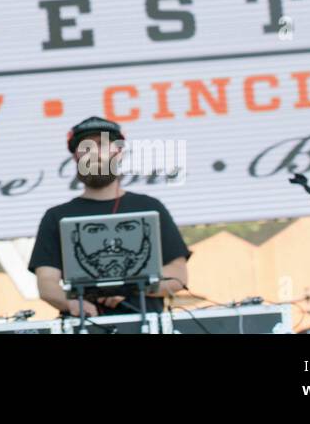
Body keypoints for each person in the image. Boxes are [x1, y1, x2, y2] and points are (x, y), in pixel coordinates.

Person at [28, 117, 190, 320]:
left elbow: (178, 274)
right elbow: (47, 283)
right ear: (75, 157)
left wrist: (129, 289)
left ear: (119, 153)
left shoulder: (149, 207)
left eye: (102, 145)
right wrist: (72, 303)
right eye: (86, 148)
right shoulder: (56, 216)